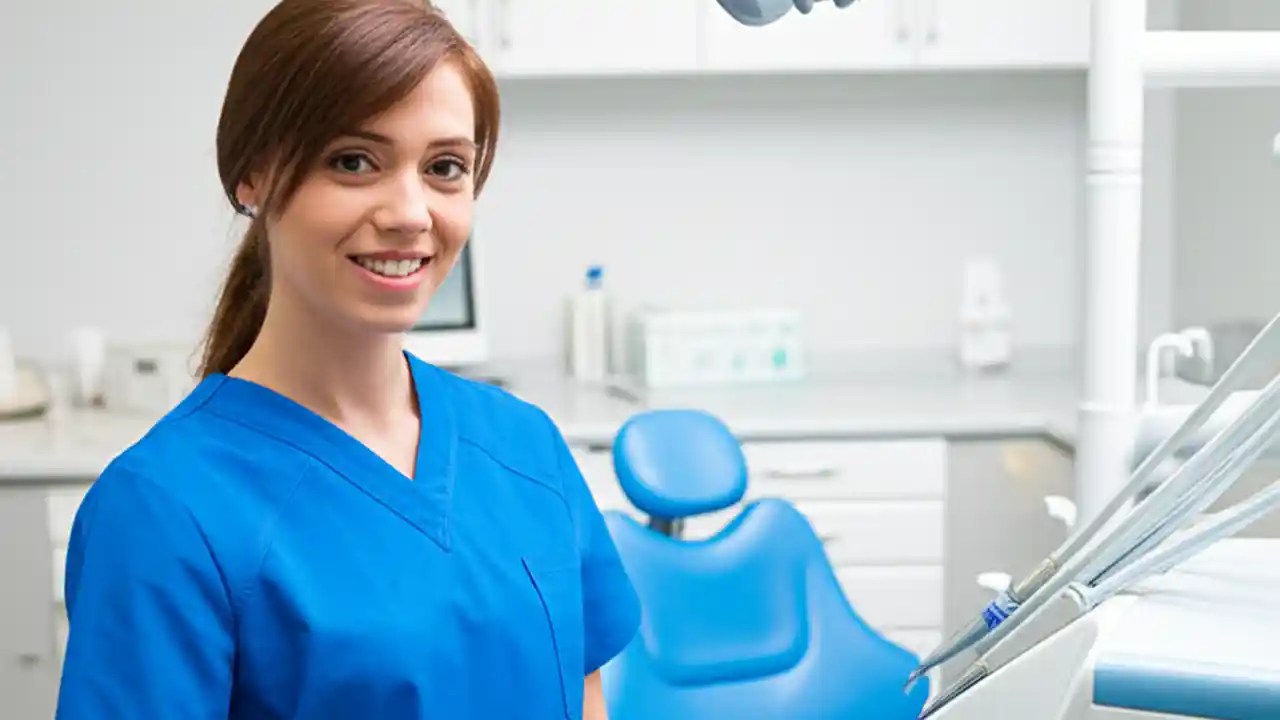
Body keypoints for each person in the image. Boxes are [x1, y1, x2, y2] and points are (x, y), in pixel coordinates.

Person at [54, 1, 641, 718]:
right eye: (354, 161)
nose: (410, 212)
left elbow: (584, 694)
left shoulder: (524, 447)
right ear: (253, 176)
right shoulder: (163, 510)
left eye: (446, 167)